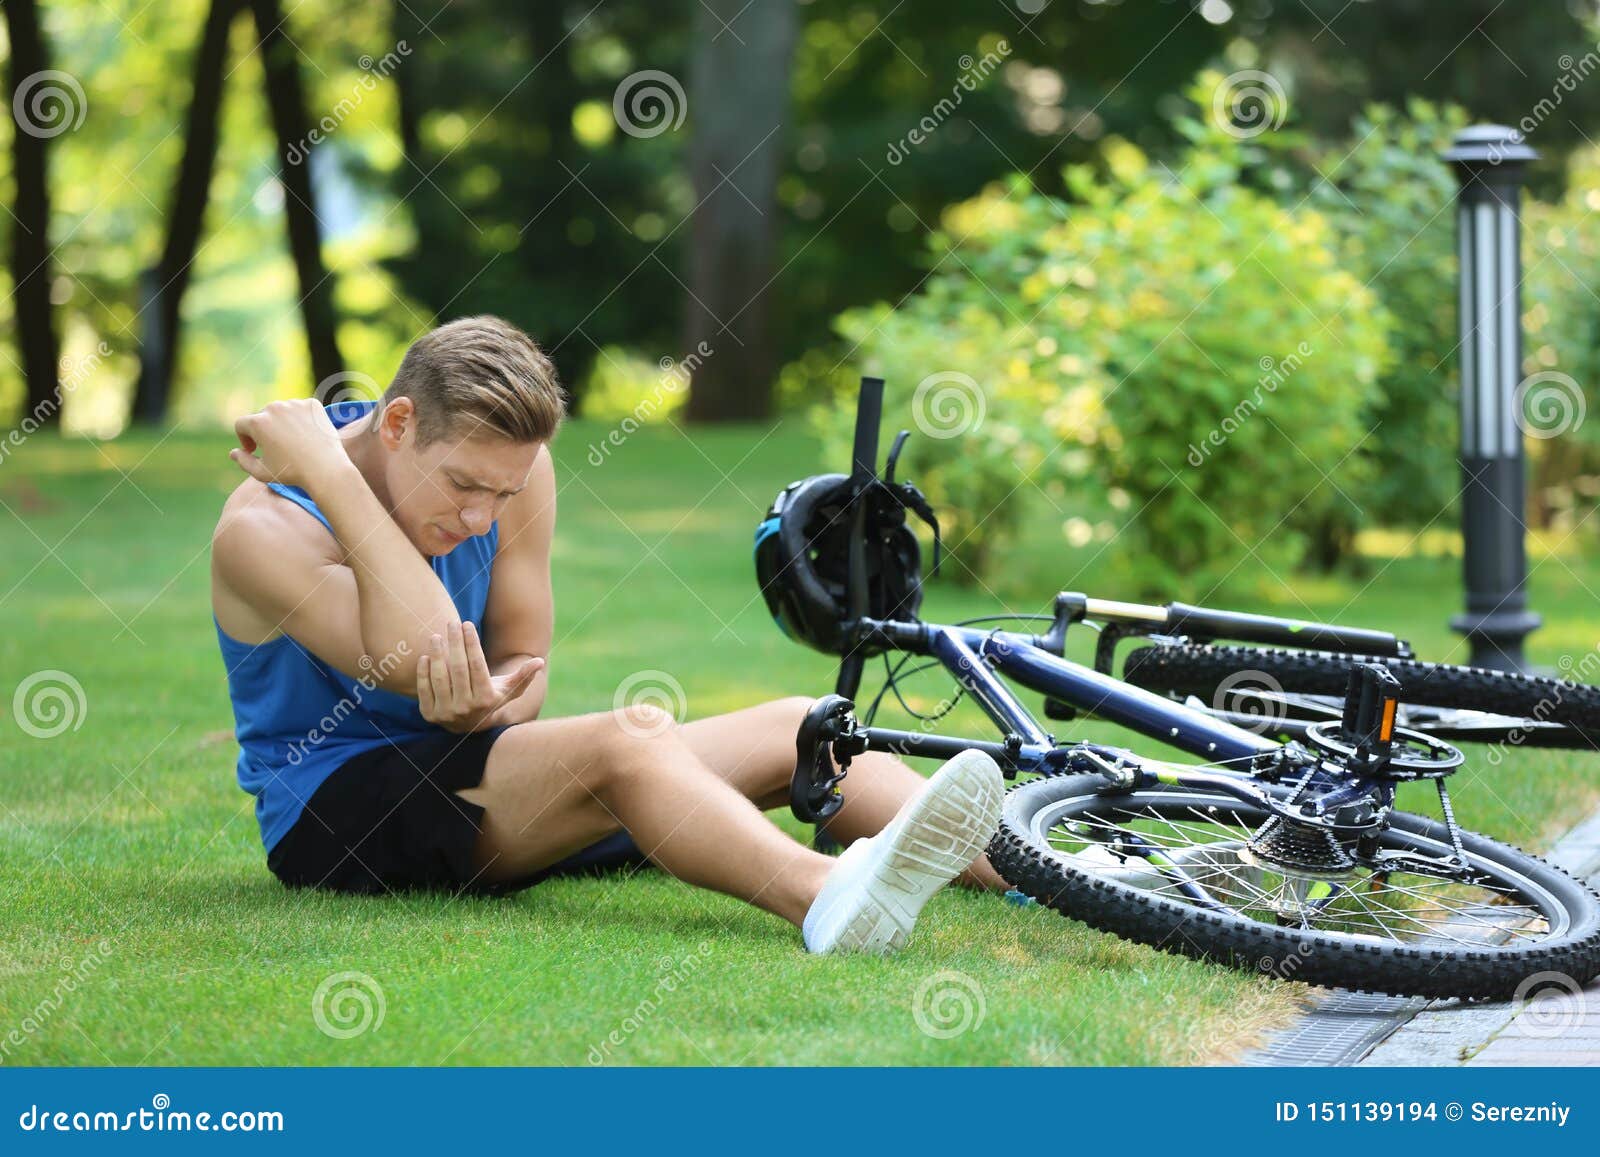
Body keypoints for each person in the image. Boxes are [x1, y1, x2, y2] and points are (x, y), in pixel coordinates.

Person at [210, 315, 1006, 953]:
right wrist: (332, 475)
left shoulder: (515, 470)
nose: (481, 517)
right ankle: (827, 897)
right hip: (336, 814)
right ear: (396, 422)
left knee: (803, 729)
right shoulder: (265, 530)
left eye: (502, 493)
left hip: (481, 771)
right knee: (631, 740)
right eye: (462, 485)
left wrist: (491, 707)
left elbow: (524, 664)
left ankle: (1035, 868)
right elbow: (423, 650)